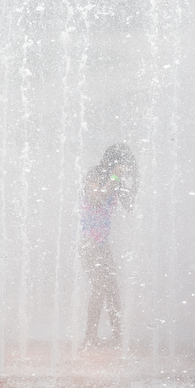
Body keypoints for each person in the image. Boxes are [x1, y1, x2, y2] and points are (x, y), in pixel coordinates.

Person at [79, 143, 138, 348]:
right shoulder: (93, 176)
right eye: (119, 165)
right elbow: (96, 199)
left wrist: (133, 179)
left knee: (112, 289)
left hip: (103, 242)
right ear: (108, 163)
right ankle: (89, 338)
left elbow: (130, 205)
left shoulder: (115, 181)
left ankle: (118, 338)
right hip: (88, 240)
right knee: (100, 287)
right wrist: (114, 178)